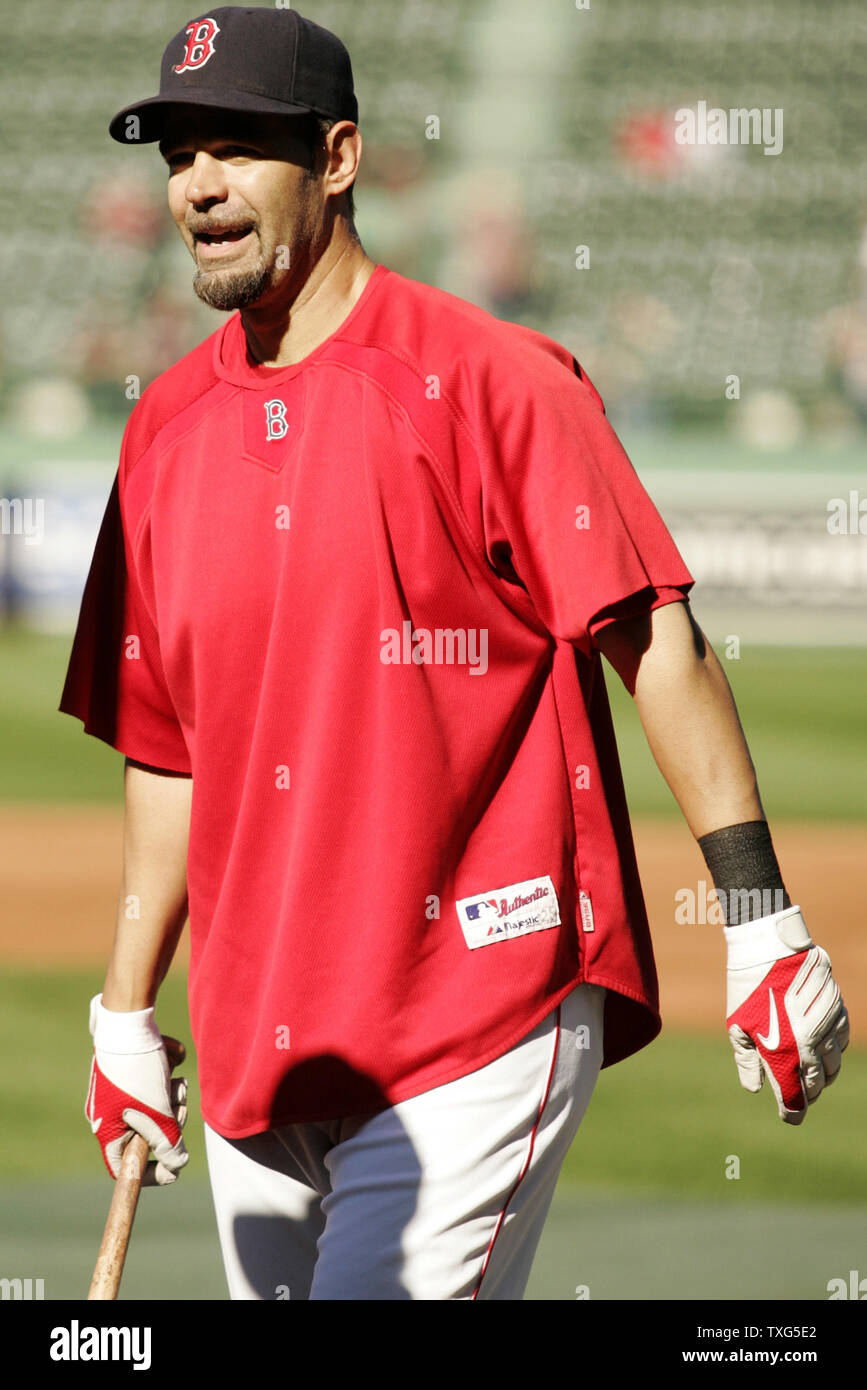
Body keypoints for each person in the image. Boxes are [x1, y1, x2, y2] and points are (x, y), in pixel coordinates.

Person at [60, 7, 848, 1301]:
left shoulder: (492, 379)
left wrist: (759, 920)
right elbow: (167, 751)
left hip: (475, 1001)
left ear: (339, 159)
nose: (198, 183)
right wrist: (124, 1010)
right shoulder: (162, 432)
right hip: (261, 1037)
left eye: (239, 146)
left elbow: (656, 637)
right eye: (180, 151)